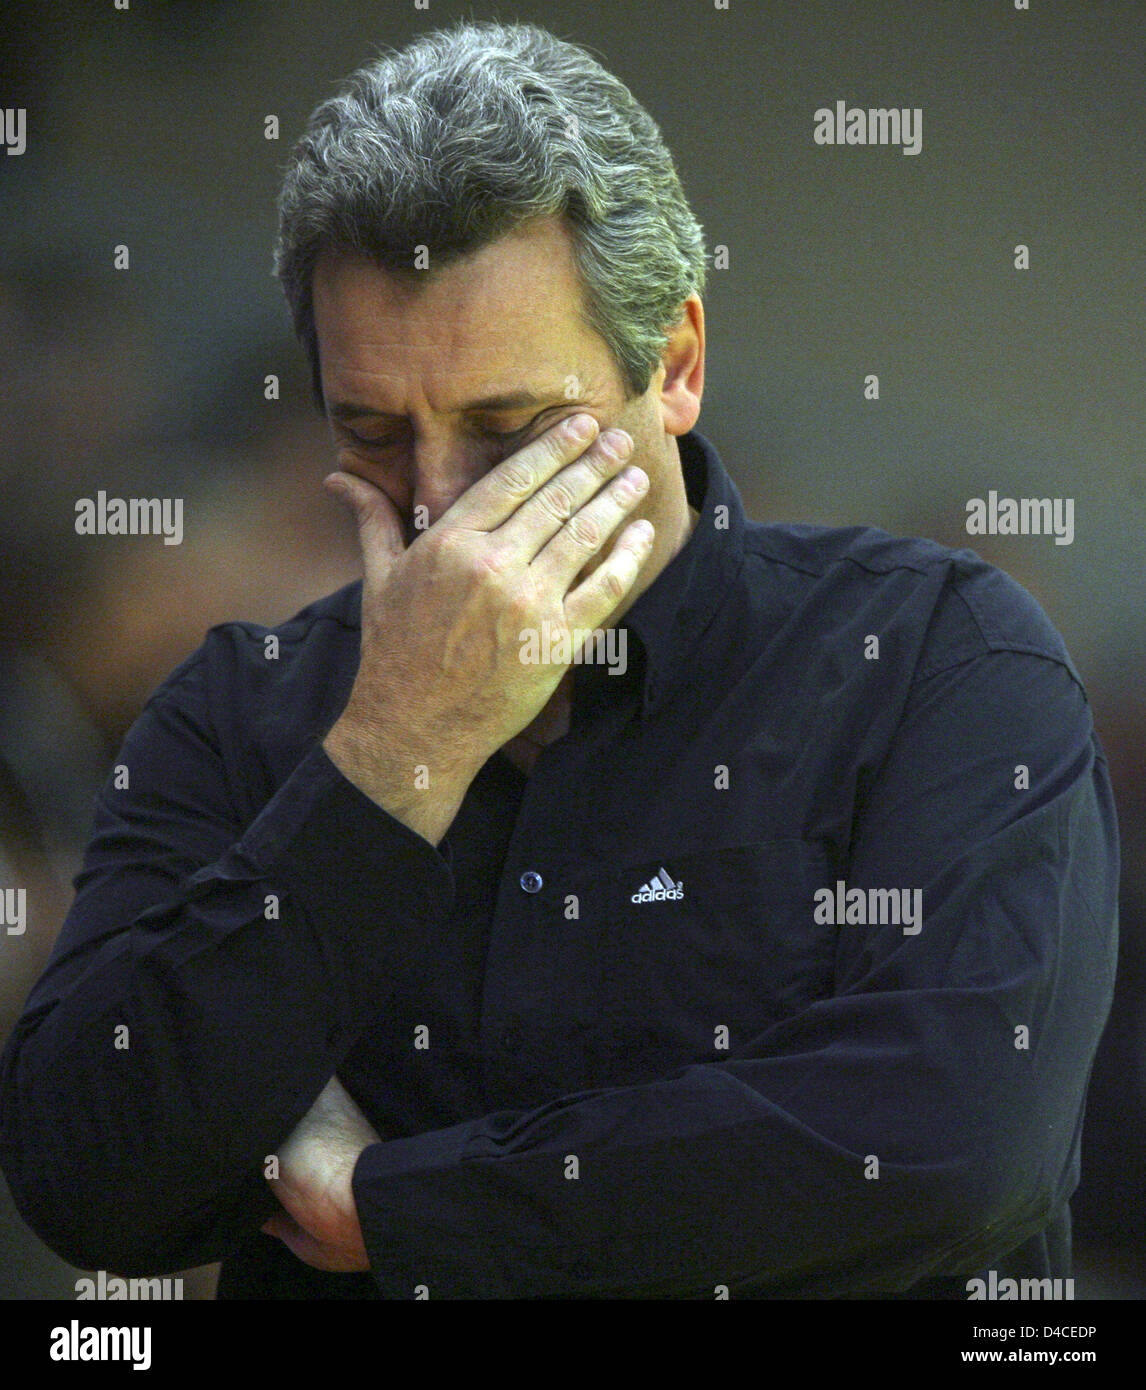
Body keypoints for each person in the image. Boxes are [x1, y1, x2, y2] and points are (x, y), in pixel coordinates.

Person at [0, 19, 1119, 1299]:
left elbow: (951, 1147)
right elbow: (84, 1176)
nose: (441, 507)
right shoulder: (240, 710)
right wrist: (392, 757)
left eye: (510, 429)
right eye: (370, 430)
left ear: (679, 365)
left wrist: (401, 1206)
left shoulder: (937, 659)